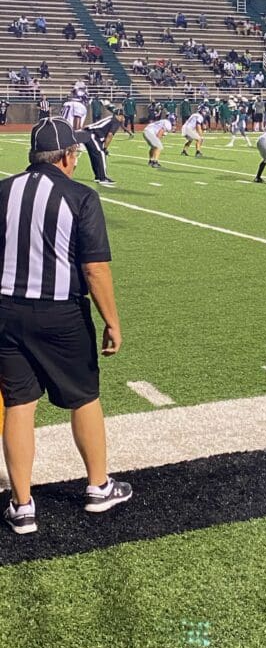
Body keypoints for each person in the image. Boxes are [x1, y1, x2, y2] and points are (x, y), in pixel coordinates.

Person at [0, 117, 130, 534]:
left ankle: (22, 505)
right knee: (84, 397)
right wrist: (112, 321)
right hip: (61, 313)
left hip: (6, 311)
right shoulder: (80, 196)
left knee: (19, 404)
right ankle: (98, 486)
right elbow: (95, 269)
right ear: (69, 157)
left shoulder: (4, 190)